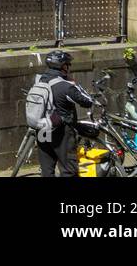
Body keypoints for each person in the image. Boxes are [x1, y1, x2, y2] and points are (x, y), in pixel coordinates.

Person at [34, 49, 95, 177]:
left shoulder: (38, 81)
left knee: (47, 170)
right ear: (63, 66)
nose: (69, 67)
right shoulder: (65, 86)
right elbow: (88, 101)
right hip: (61, 132)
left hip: (42, 129)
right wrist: (74, 83)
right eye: (68, 65)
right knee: (69, 170)